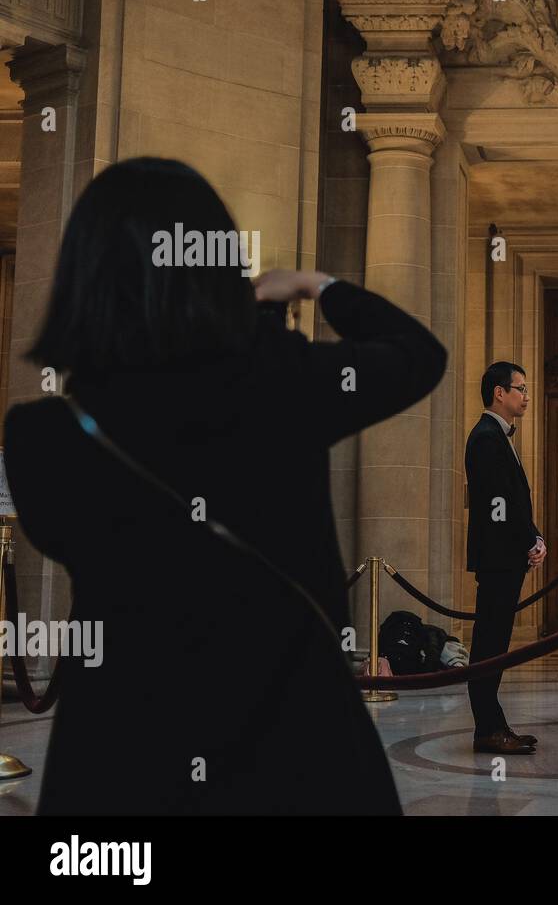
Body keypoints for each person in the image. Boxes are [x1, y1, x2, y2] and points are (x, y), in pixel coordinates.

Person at [4, 157, 446, 814]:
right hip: (297, 748)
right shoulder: (283, 380)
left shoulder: (44, 434)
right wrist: (312, 286)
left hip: (122, 758)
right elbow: (417, 354)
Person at [464, 361, 546, 755]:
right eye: (521, 388)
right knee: (489, 642)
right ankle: (487, 729)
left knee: (495, 640)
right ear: (500, 392)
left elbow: (513, 501)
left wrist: (534, 535)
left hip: (504, 553)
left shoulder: (496, 436)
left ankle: (493, 724)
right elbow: (498, 503)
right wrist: (528, 539)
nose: (526, 396)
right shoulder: (485, 438)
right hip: (498, 556)